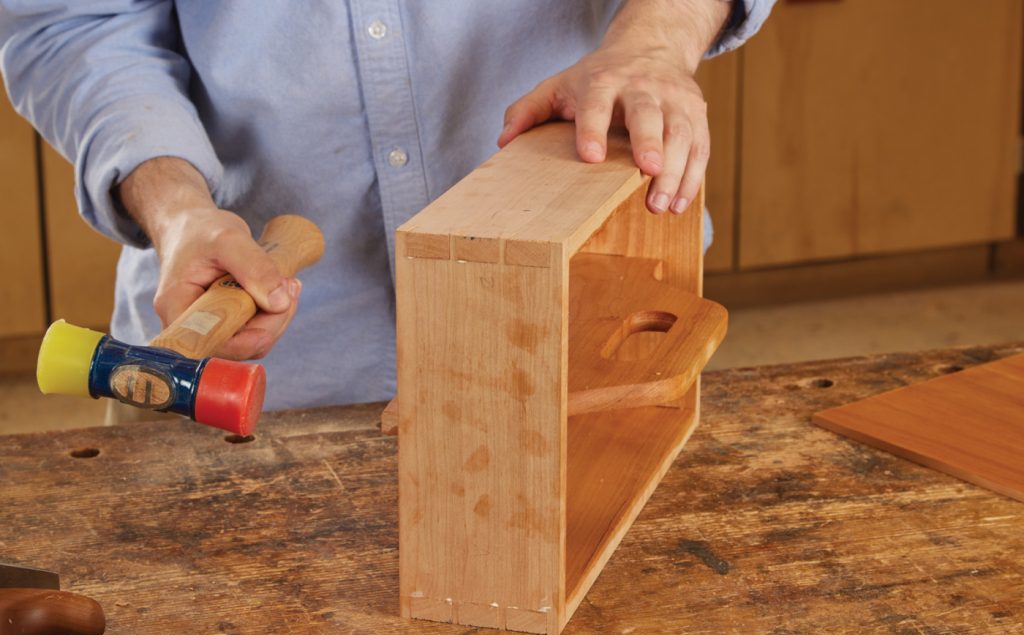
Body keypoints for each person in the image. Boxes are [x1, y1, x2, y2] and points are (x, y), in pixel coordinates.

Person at [0, 1, 773, 414]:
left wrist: (656, 38)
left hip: (586, 322)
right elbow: (74, 22)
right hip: (262, 377)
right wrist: (173, 206)